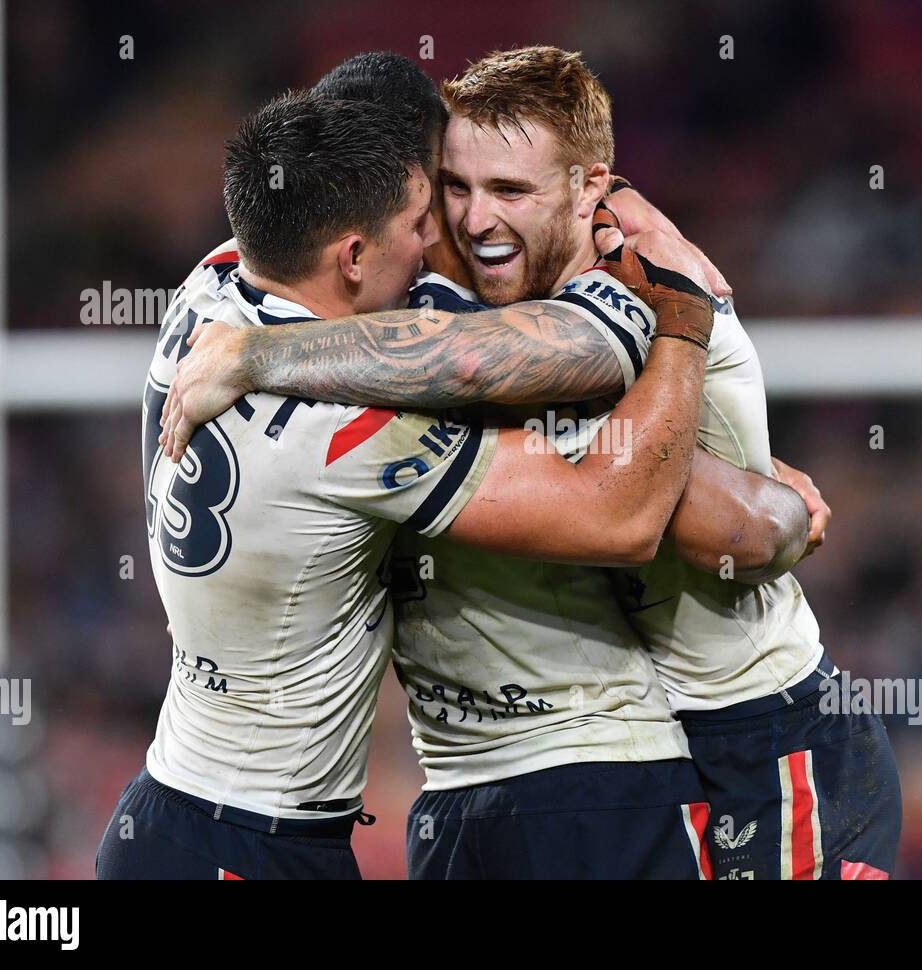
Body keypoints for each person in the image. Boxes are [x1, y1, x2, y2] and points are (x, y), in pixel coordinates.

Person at [97, 86, 725, 879]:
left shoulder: (215, 285)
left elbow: (382, 134)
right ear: (354, 256)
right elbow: (617, 516)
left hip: (183, 812)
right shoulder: (345, 429)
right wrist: (675, 318)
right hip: (250, 843)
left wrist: (604, 191)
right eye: (421, 222)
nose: (444, 236)